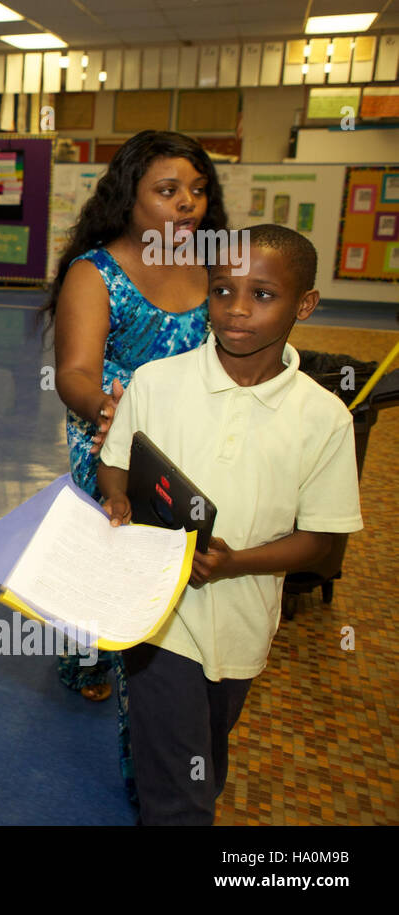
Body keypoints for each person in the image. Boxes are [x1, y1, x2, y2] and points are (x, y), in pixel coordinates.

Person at [98, 225, 362, 824]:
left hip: (242, 622)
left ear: (305, 305)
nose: (237, 310)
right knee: (180, 797)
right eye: (222, 291)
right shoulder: (158, 382)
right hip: (157, 616)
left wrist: (235, 562)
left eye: (263, 295)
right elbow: (115, 465)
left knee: (203, 762)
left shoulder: (324, 418)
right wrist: (118, 502)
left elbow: (321, 540)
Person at [43, 130, 226, 806]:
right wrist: (115, 410)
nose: (187, 204)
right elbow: (76, 373)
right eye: (168, 190)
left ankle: (146, 741)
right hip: (110, 440)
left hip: (188, 446)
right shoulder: (96, 271)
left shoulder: (213, 266)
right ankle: (84, 652)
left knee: (160, 593)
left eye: (198, 190)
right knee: (108, 561)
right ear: (131, 197)